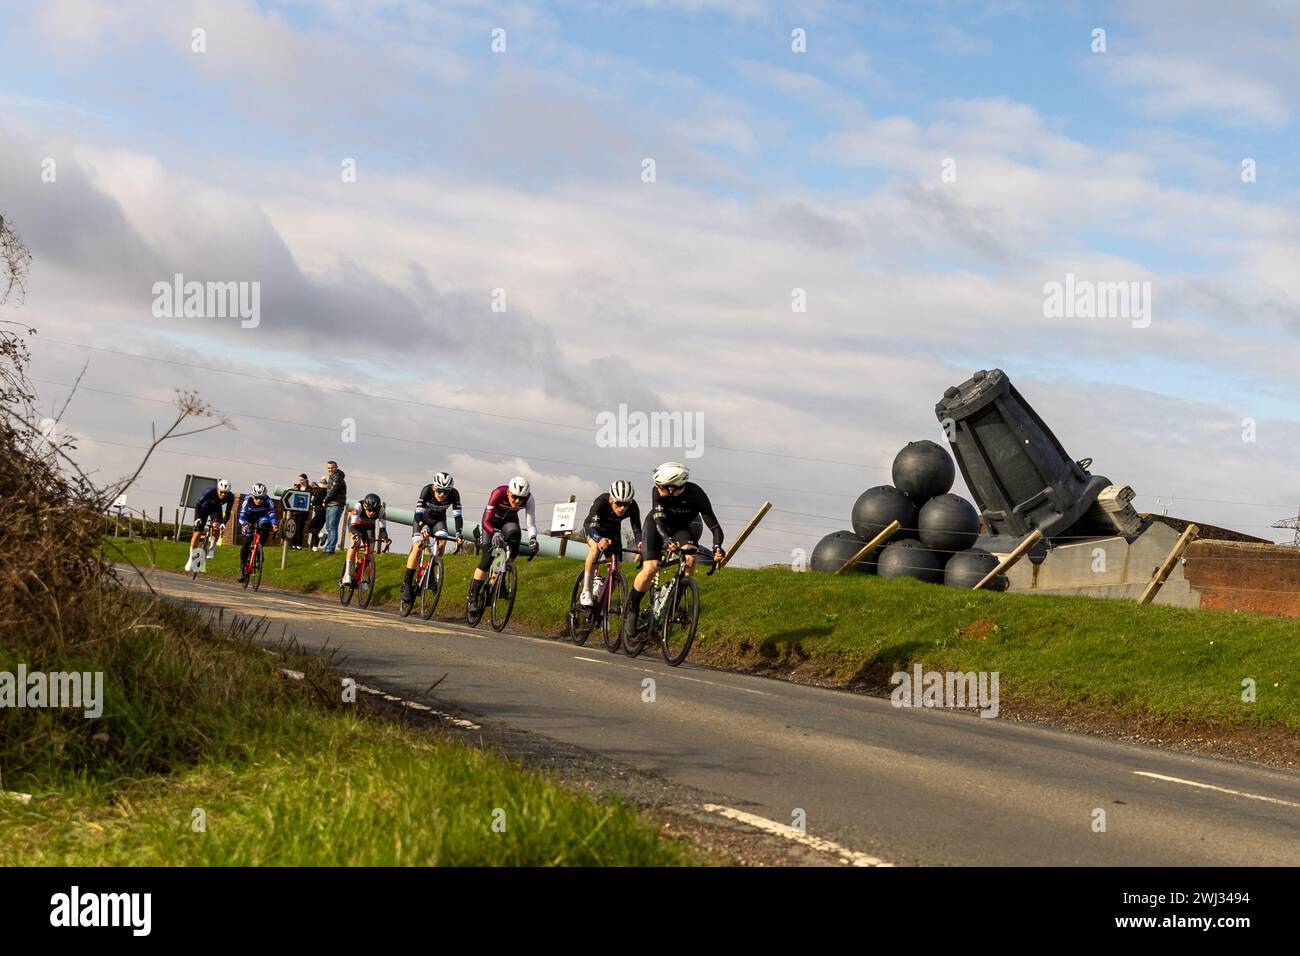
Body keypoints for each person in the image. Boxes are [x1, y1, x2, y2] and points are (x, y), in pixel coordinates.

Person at [621, 462, 724, 642]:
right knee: (651, 567)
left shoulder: (697, 495)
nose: (656, 488)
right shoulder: (657, 493)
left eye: (660, 486)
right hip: (656, 526)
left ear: (672, 488)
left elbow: (715, 527)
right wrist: (667, 540)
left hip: (682, 529)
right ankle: (633, 607)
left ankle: (673, 605)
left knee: (691, 558)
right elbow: (659, 523)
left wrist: (717, 548)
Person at [469, 476, 538, 605]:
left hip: (509, 522)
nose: (517, 501)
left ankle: (500, 580)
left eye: (521, 498)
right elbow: (486, 521)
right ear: (508, 492)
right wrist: (494, 532)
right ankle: (473, 596)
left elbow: (531, 524)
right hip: (491, 522)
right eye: (514, 497)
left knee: (512, 547)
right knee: (487, 558)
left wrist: (533, 538)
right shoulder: (498, 493)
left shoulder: (529, 498)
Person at [401, 471, 464, 605]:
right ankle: (407, 583)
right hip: (421, 520)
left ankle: (432, 572)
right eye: (440, 490)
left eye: (446, 491)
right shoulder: (426, 491)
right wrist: (423, 526)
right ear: (434, 487)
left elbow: (458, 516)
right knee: (418, 547)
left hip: (438, 521)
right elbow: (418, 514)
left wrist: (459, 533)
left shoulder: (454, 494)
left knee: (442, 543)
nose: (442, 494)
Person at [579, 479, 641, 606]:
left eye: (626, 504)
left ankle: (603, 604)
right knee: (595, 549)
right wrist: (599, 539)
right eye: (618, 503)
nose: (622, 508)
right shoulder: (601, 502)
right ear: (612, 499)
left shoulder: (633, 506)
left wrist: (640, 542)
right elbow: (592, 527)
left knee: (615, 565)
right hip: (593, 528)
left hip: (613, 531)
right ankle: (586, 590)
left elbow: (636, 529)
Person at [185, 478, 234, 572]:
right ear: (217, 489)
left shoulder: (231, 497)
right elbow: (197, 504)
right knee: (197, 534)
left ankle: (212, 548)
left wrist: (224, 523)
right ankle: (190, 558)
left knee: (217, 526)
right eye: (221, 492)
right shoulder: (210, 491)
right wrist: (197, 518)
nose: (223, 495)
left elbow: (227, 512)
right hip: (203, 508)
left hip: (216, 509)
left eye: (225, 493)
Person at [237, 483, 278, 583]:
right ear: (252, 496)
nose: (259, 500)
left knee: (265, 526)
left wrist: (274, 524)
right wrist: (245, 524)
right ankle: (243, 566)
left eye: (261, 498)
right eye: (256, 498)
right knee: (247, 539)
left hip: (262, 517)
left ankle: (260, 548)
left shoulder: (268, 501)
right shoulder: (247, 500)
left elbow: (272, 514)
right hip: (249, 518)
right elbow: (241, 516)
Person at [342, 493, 385, 586]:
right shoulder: (358, 506)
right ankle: (347, 574)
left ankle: (362, 575)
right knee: (356, 542)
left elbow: (383, 528)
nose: (372, 513)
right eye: (369, 510)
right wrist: (354, 535)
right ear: (365, 507)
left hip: (369, 527)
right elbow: (352, 526)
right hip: (355, 525)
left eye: (374, 511)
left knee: (370, 550)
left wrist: (386, 538)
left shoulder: (381, 510)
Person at [321, 460, 347, 555]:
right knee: (328, 527)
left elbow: (333, 491)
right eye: (328, 468)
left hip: (336, 504)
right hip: (330, 504)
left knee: (332, 527)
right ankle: (328, 546)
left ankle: (330, 548)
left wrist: (325, 500)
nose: (330, 470)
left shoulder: (338, 478)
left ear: (336, 467)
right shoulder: (332, 477)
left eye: (332, 468)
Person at [289, 473, 310, 549]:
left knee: (299, 528)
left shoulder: (309, 488)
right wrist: (293, 490)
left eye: (302, 480)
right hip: (296, 510)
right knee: (294, 528)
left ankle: (299, 545)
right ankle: (293, 544)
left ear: (305, 480)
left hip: (303, 511)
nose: (300, 481)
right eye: (299, 480)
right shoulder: (297, 487)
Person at [308, 475, 327, 550]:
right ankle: (315, 547)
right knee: (317, 529)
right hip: (325, 514)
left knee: (310, 527)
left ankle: (322, 535)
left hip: (319, 512)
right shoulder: (327, 493)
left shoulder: (318, 492)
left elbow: (314, 502)